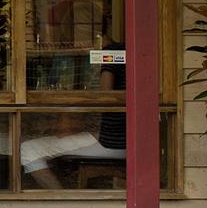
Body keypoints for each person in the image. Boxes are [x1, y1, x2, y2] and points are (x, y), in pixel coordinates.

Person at [20, 41, 127, 189]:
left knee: (28, 148)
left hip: (110, 141)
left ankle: (61, 199)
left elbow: (105, 96)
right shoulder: (150, 55)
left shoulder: (114, 50)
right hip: (137, 145)